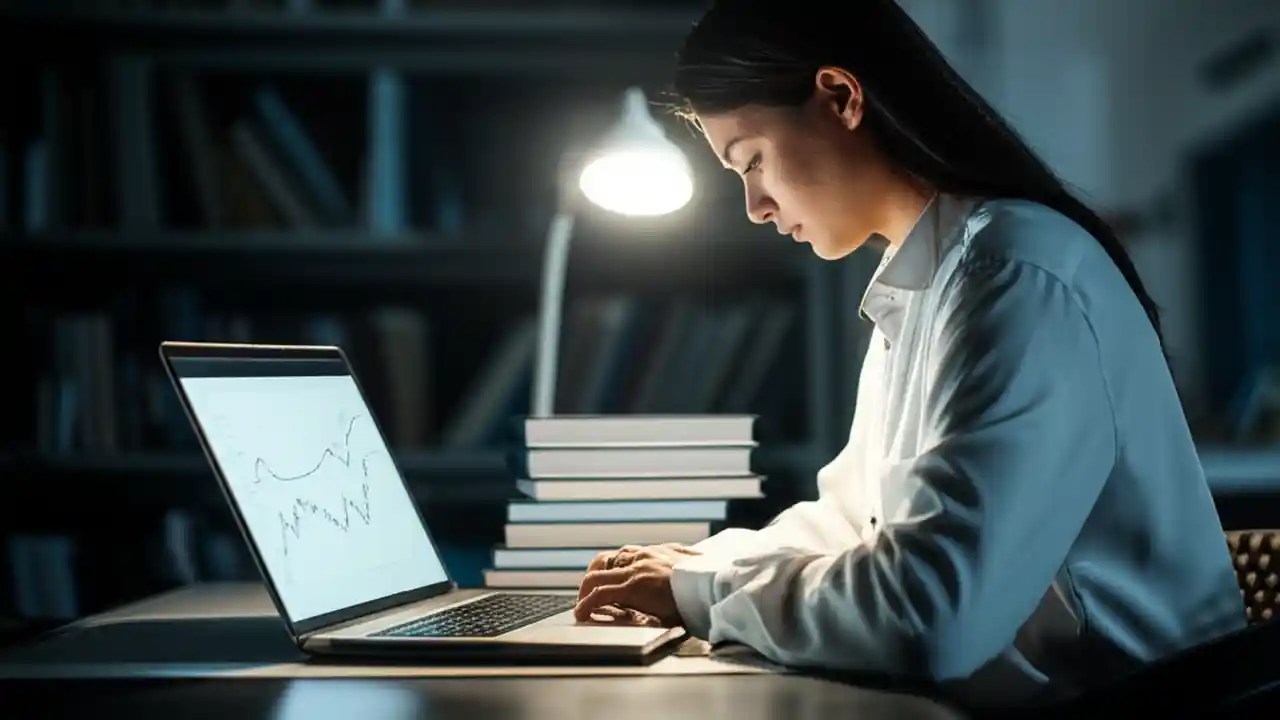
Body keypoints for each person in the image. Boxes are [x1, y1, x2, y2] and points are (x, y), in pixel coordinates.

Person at [570, 0, 1248, 709]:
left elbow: (932, 613)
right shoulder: (927, 282)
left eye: (754, 160)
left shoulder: (1011, 275)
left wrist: (701, 592)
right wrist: (698, 565)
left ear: (840, 96)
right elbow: (853, 522)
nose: (755, 206)